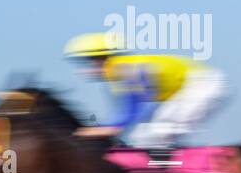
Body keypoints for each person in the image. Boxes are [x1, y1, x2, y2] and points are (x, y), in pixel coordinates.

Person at [63, 32, 227, 161]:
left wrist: (91, 132)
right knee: (142, 136)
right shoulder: (118, 72)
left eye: (87, 62)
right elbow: (124, 116)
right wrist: (100, 129)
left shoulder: (125, 69)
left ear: (100, 59)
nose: (84, 69)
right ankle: (171, 171)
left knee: (156, 134)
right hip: (191, 86)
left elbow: (129, 115)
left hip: (203, 84)